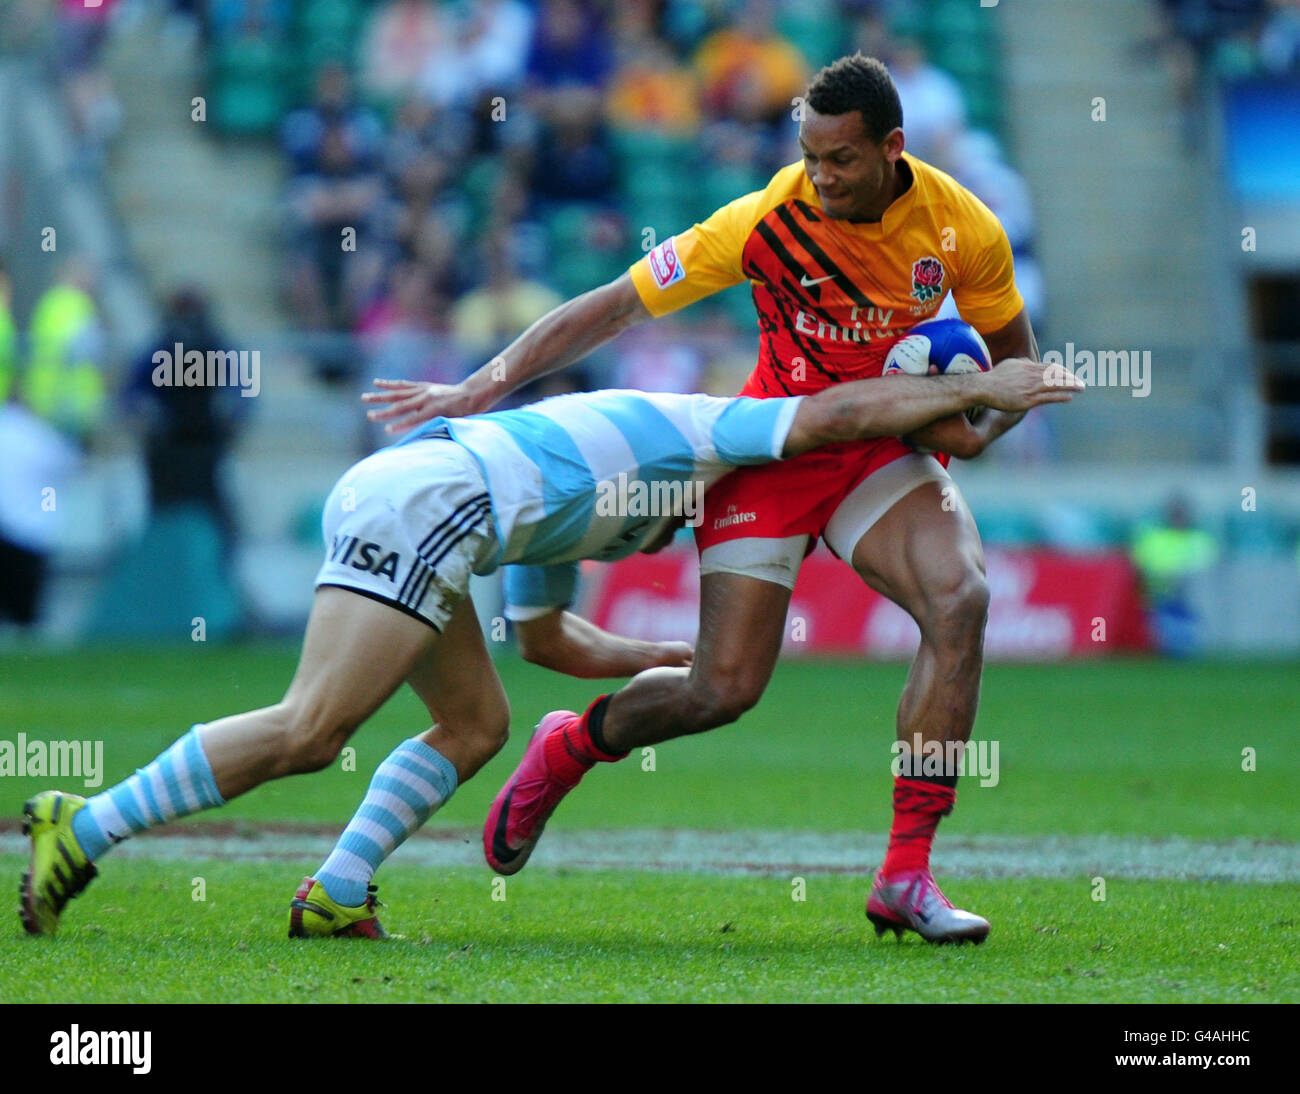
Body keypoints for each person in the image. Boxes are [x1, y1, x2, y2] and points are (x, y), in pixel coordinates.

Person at [17, 360, 1074, 938]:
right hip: (429, 501)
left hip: (443, 509)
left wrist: (664, 653)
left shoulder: (583, 512)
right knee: (310, 727)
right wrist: (966, 395)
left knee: (476, 723)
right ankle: (87, 821)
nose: (683, 537)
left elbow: (545, 638)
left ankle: (338, 890)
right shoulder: (707, 430)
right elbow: (831, 412)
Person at [363, 54, 1043, 944]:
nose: (822, 177)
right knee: (720, 691)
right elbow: (612, 307)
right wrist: (477, 387)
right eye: (810, 155)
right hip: (771, 445)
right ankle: (572, 744)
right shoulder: (767, 219)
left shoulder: (964, 228)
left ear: (893, 148)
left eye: (840, 159)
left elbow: (1010, 376)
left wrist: (969, 429)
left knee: (963, 599)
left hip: (880, 448)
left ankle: (905, 874)